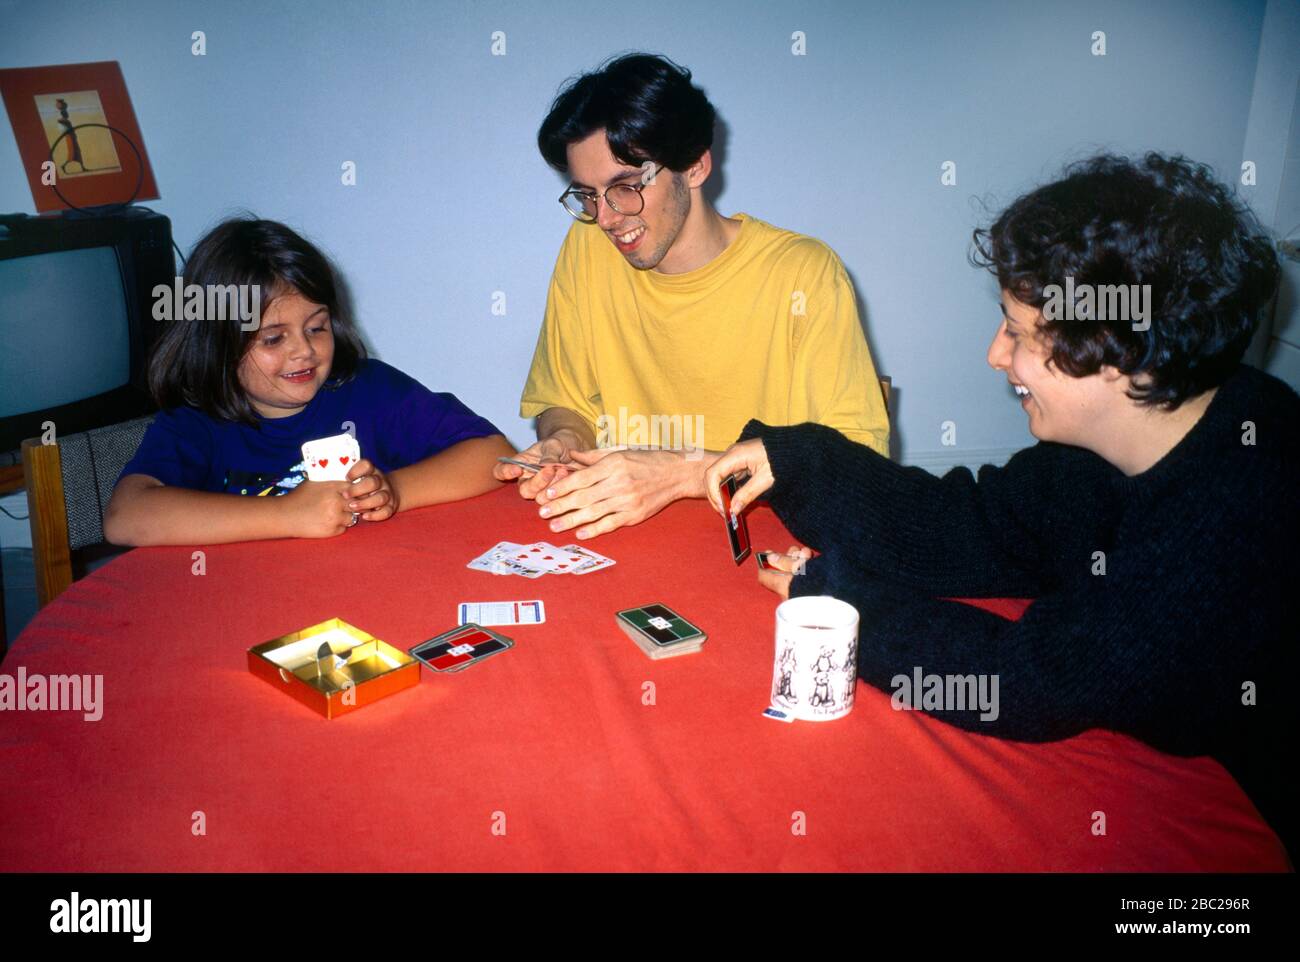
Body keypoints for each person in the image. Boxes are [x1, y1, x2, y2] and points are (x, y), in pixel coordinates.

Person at [705, 153, 1297, 859]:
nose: (994, 354)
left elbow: (1021, 684)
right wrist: (800, 461)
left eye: (1016, 332)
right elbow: (969, 526)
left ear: (1112, 352)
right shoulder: (1124, 437)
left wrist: (844, 605)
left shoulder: (1233, 514)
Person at [494, 53, 889, 540]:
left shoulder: (802, 272)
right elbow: (563, 398)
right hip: (628, 541)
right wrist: (563, 442)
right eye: (589, 195)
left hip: (763, 538)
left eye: (624, 187)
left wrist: (679, 474)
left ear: (696, 166)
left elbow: (857, 466)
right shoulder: (587, 250)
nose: (607, 218)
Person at [105, 217, 513, 546]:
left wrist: (394, 490)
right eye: (273, 338)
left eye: (317, 328)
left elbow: (493, 454)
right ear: (215, 343)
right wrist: (287, 514)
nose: (304, 350)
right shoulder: (196, 422)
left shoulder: (369, 390)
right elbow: (126, 517)